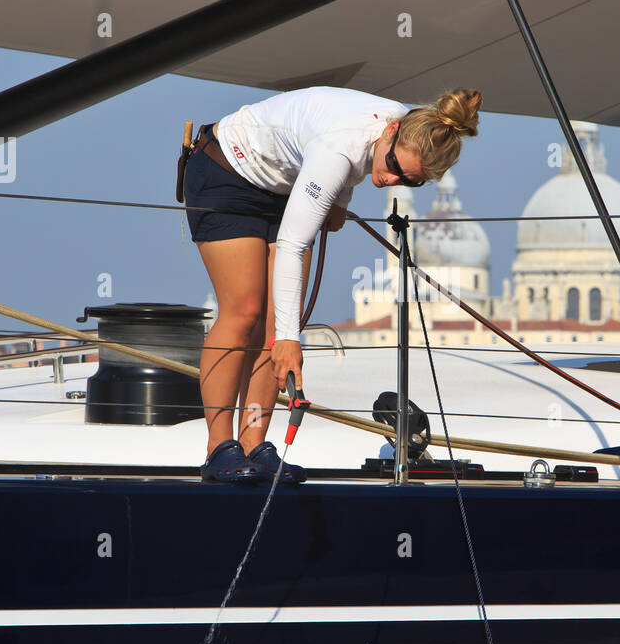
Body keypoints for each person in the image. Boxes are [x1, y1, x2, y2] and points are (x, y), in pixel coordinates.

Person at [182, 86, 482, 484]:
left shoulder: (394, 130)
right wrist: (291, 340)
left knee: (273, 326)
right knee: (245, 311)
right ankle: (219, 451)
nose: (388, 180)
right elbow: (294, 242)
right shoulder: (338, 149)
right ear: (392, 132)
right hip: (226, 173)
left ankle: (254, 447)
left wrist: (340, 197)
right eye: (392, 164)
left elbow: (357, 160)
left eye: (406, 182)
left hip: (285, 184)